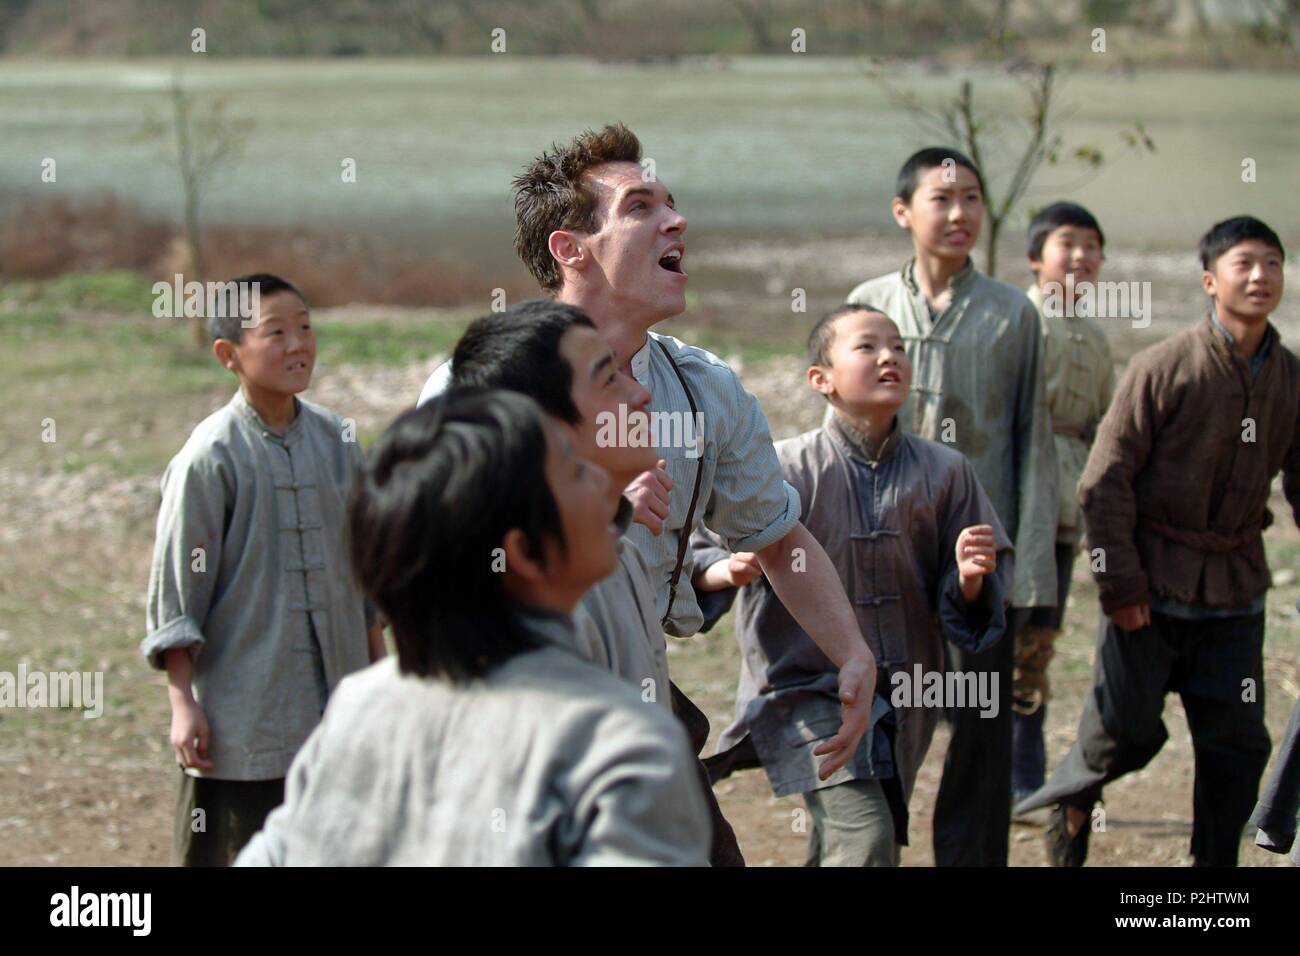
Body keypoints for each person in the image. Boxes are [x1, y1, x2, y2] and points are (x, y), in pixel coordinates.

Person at [419, 123, 878, 782]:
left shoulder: (703, 389)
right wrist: (593, 512)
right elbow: (431, 560)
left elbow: (777, 538)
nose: (676, 220)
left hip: (638, 694)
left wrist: (852, 653)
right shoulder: (482, 384)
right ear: (571, 249)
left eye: (670, 202)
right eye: (641, 207)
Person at [237, 388, 711, 865]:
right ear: (523, 553)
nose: (602, 481)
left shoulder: (361, 706)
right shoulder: (618, 743)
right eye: (575, 472)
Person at [1016, 216, 1299, 867]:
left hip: (1235, 592)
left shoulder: (1292, 379)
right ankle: (1072, 800)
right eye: (1244, 264)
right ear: (1209, 281)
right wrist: (1120, 585)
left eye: (1273, 264)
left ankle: (1211, 882)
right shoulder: (1163, 367)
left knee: (1237, 743)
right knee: (1124, 732)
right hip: (1149, 589)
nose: (1260, 277)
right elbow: (1103, 482)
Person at [692, 306, 1011, 865]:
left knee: (851, 834)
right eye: (867, 347)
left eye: (898, 347)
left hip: (910, 691)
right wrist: (728, 569)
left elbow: (973, 604)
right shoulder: (782, 468)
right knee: (865, 836)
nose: (889, 356)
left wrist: (970, 580)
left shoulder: (947, 471)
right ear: (821, 379)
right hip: (803, 688)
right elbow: (697, 550)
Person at [448, 298, 744, 864]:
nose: (640, 395)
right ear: (543, 424)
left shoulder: (621, 554)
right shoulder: (510, 587)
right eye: (608, 381)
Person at [845, 147, 1058, 866]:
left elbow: (1034, 444)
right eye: (943, 197)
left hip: (975, 558)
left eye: (972, 197)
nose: (961, 212)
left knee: (979, 726)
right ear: (904, 211)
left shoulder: (1012, 316)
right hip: (882, 548)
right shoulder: (870, 304)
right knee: (879, 718)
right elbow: (842, 429)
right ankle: (862, 849)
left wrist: (1026, 573)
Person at [141, 273, 383, 866]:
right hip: (245, 714)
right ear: (229, 354)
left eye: (305, 327)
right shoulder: (210, 456)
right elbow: (179, 592)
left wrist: (382, 678)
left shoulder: (338, 441)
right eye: (275, 332)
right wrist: (183, 703)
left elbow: (364, 576)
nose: (298, 344)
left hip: (339, 708)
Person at [1012, 202, 1116, 809]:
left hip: (1067, 508)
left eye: (1091, 246)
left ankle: (1027, 778)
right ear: (1035, 257)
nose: (1080, 257)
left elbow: (1103, 423)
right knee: (999, 639)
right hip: (1017, 500)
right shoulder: (1019, 319)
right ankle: (1001, 771)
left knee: (1039, 645)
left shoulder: (1096, 337)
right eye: (1066, 245)